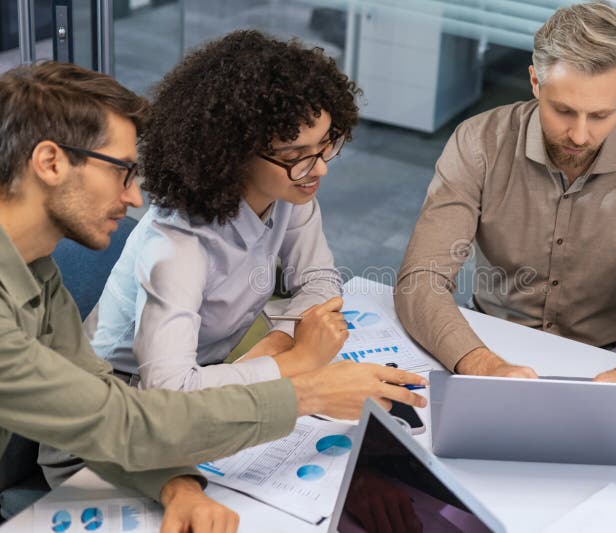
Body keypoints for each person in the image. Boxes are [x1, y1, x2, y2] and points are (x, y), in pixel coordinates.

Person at [0, 60, 427, 530]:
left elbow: (101, 416)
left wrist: (176, 487)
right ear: (50, 163)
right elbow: (119, 418)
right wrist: (302, 389)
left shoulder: (37, 271)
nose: (136, 199)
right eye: (123, 171)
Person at [395, 2, 616, 386]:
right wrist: (479, 363)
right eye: (563, 110)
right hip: (485, 339)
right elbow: (421, 279)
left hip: (608, 358)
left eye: (600, 116)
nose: (580, 136)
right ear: (535, 82)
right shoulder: (478, 143)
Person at [86, 31, 353, 392]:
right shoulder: (177, 245)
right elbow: (168, 389)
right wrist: (293, 360)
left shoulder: (291, 194)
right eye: (295, 157)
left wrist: (280, 339)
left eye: (325, 145)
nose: (319, 169)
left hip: (208, 373)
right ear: (234, 155)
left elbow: (319, 278)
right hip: (120, 404)